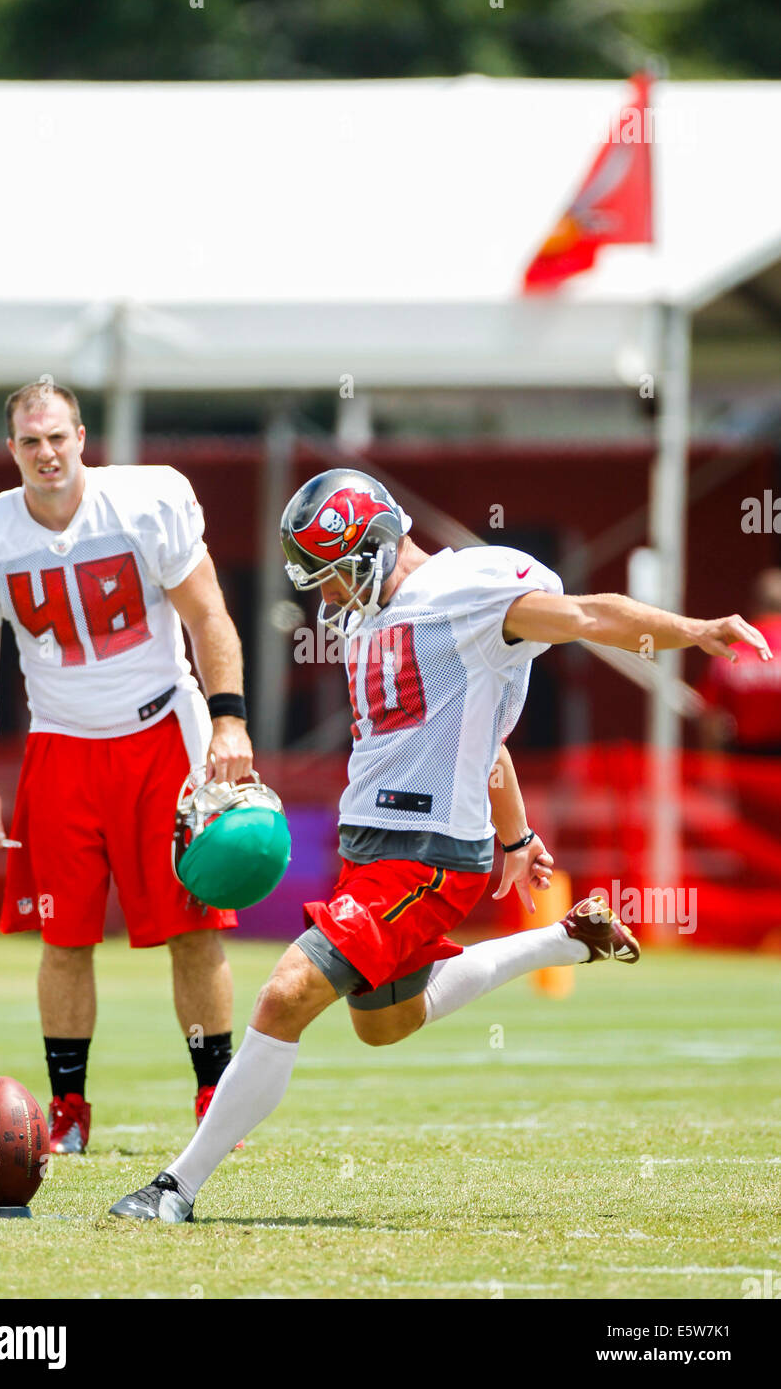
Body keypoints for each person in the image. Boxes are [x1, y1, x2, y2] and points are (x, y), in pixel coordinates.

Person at [110, 467, 771, 1222]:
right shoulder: (369, 616)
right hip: (369, 847)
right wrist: (517, 835)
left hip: (425, 856)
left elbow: (589, 615)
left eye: (331, 577)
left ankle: (175, 1190)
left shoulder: (472, 591)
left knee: (285, 995)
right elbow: (485, 741)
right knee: (384, 1024)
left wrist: (693, 632)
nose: (325, 598)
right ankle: (565, 941)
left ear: (374, 549)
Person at [0, 380, 253, 1154]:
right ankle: (69, 1108)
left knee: (193, 927)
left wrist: (229, 719)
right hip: (62, 743)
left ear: (82, 436)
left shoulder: (146, 505)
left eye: (57, 438)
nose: (46, 453)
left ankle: (214, 1093)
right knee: (64, 938)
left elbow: (208, 614)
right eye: (29, 442)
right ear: (11, 449)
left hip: (160, 736)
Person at [698, 568, 781, 756]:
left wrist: (712, 770)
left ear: (755, 605)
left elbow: (710, 718)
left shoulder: (731, 649)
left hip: (744, 762)